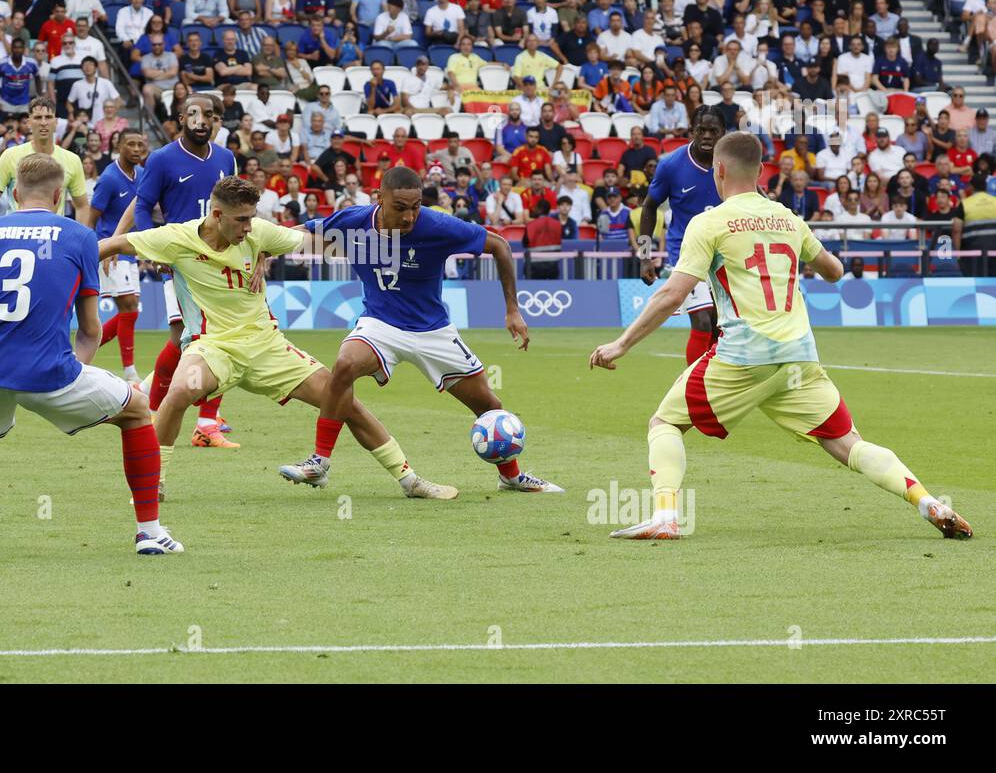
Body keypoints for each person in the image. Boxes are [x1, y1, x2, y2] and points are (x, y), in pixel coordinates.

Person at [589, 131, 972, 540]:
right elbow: (834, 271)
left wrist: (620, 344)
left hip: (743, 357)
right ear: (760, 172)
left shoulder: (710, 222)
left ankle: (666, 516)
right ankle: (927, 501)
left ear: (718, 170)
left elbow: (672, 294)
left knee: (664, 423)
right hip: (799, 358)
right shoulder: (787, 217)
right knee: (847, 443)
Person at [0, 153, 180, 557]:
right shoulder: (79, 238)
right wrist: (71, 378)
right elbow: (92, 329)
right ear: (59, 194)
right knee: (136, 410)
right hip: (53, 374)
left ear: (12, 193)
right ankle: (149, 532)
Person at [99, 175, 457, 500]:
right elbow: (111, 244)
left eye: (252, 219)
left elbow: (306, 236)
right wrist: (78, 273)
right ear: (217, 214)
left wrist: (265, 254)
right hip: (213, 347)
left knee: (343, 399)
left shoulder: (257, 234)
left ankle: (410, 480)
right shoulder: (174, 239)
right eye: (241, 220)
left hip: (268, 348)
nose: (248, 228)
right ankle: (153, 483)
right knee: (178, 392)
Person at [280, 165, 563, 494]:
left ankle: (511, 477)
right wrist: (263, 254)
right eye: (400, 208)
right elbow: (294, 233)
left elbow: (499, 245)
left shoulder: (437, 226)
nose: (409, 217)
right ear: (379, 199)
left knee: (489, 406)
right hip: (380, 324)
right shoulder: (353, 221)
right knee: (344, 365)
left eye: (415, 207)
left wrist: (512, 309)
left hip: (432, 331)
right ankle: (319, 462)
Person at [106, 94, 238, 455]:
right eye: (193, 114)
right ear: (181, 118)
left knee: (223, 335)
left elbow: (240, 207)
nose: (201, 120)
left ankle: (202, 422)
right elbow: (144, 205)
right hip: (182, 263)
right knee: (188, 336)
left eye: (209, 115)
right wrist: (153, 247)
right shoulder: (163, 159)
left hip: (221, 262)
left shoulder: (226, 158)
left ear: (216, 120)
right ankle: (153, 409)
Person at [640, 105, 723, 365]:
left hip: (724, 254)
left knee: (721, 324)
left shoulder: (732, 163)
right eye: (702, 130)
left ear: (723, 133)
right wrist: (645, 256)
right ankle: (691, 385)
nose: (707, 136)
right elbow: (649, 207)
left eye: (713, 131)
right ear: (691, 132)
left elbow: (755, 196)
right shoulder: (671, 165)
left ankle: (711, 379)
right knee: (702, 318)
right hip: (687, 254)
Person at [83, 130, 148, 383]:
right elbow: (91, 218)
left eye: (139, 144)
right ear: (118, 147)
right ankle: (130, 373)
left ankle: (81, 354)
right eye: (130, 144)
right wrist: (95, 252)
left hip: (130, 249)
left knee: (129, 312)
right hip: (111, 250)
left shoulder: (142, 175)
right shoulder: (109, 178)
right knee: (129, 306)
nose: (135, 148)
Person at [0, 97, 90, 224]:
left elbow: (82, 206)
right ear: (29, 122)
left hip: (52, 238)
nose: (43, 122)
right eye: (38, 117)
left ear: (56, 122)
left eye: (48, 117)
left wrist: (81, 241)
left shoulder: (72, 160)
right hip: (16, 237)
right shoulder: (10, 155)